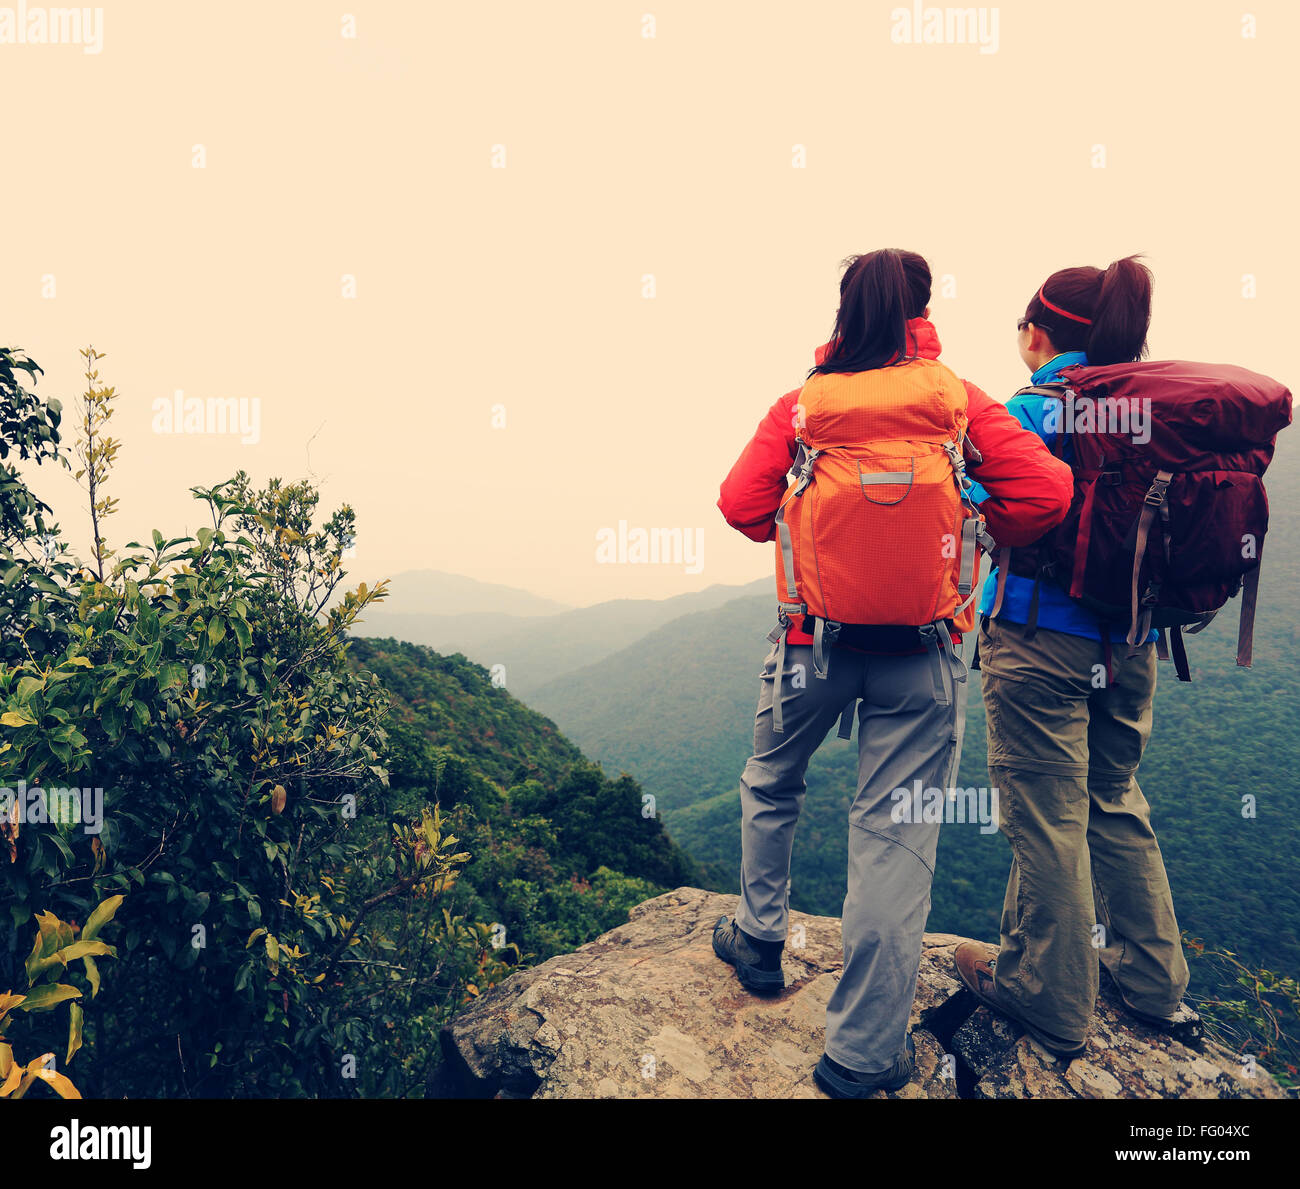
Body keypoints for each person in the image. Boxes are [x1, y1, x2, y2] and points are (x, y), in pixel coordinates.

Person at [713, 249, 1073, 1097]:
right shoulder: (956, 401)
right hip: (922, 655)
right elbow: (1048, 493)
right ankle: (861, 1056)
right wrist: (972, 516)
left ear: (844, 314)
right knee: (892, 840)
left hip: (812, 644)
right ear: (922, 311)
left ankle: (761, 940)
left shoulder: (804, 404)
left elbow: (737, 504)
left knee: (772, 780)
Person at [953, 257, 1203, 1058]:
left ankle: (1048, 997)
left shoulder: (1033, 411)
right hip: (1131, 645)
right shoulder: (1155, 411)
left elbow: (970, 511)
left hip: (1038, 642)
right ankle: (1154, 985)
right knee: (1114, 798)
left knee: (1047, 814)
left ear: (1039, 331)